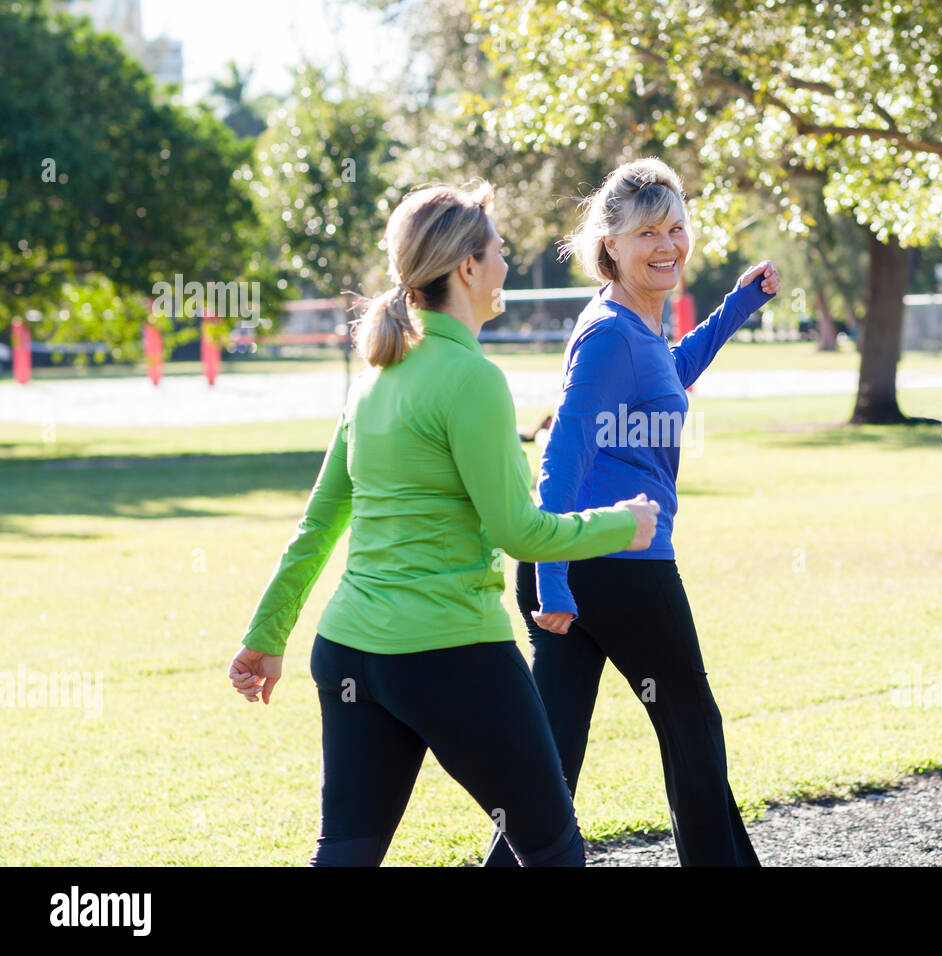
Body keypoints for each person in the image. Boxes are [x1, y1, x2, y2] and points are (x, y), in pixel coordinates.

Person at [227, 180, 661, 867]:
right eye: (499, 252)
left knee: (344, 853)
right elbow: (521, 533)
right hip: (452, 654)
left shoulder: (375, 376)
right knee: (553, 851)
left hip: (350, 653)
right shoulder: (472, 379)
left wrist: (266, 634)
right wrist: (621, 525)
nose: (507, 265)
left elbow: (318, 525)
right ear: (466, 267)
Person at [483, 158, 779, 867]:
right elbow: (562, 455)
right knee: (692, 729)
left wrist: (735, 309)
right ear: (610, 243)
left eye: (676, 228)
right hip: (612, 565)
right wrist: (554, 583)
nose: (668, 245)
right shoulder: (613, 332)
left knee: (549, 767)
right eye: (648, 232)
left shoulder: (633, 327)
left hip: (582, 568)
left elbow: (665, 379)